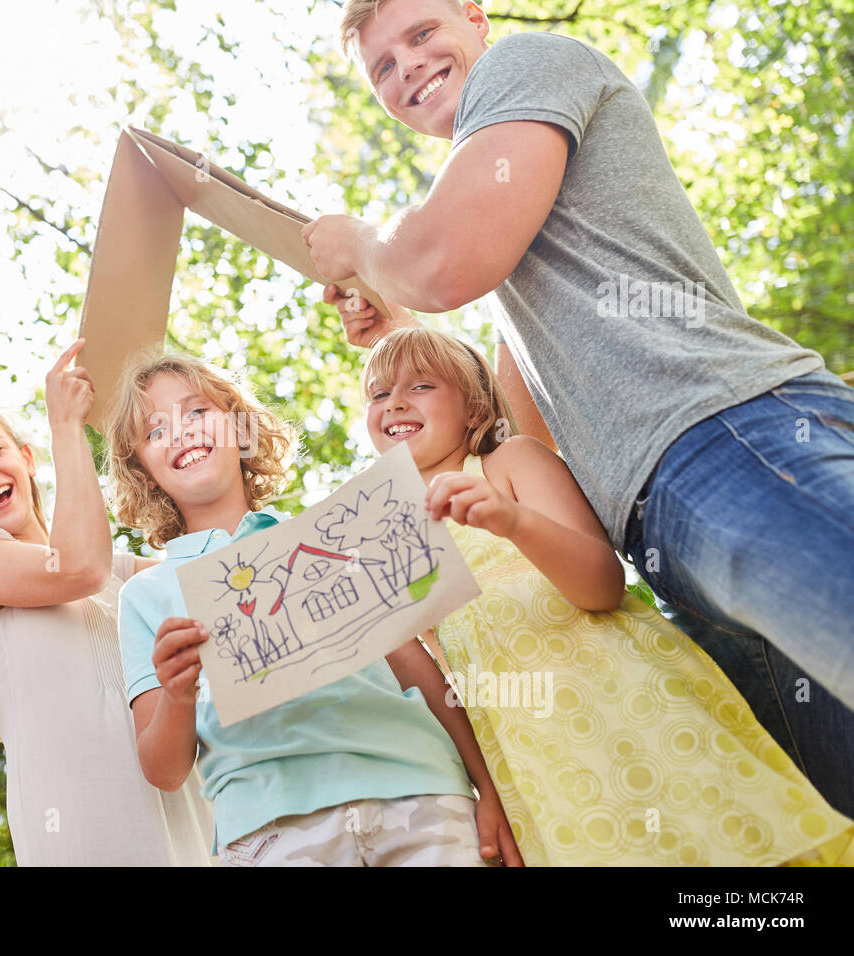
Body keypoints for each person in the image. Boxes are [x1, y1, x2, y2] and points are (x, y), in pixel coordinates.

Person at [302, 0, 854, 815]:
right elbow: (519, 426)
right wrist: (402, 327)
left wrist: (363, 249)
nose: (407, 65)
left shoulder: (523, 66)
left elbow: (445, 261)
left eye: (421, 35)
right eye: (382, 65)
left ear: (475, 17)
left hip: (722, 437)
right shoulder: (520, 241)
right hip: (665, 532)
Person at [359, 325, 854, 864]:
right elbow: (432, 675)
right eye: (379, 393)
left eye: (421, 386)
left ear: (475, 408)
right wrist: (488, 789)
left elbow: (601, 585)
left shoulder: (511, 463)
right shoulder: (388, 538)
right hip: (532, 752)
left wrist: (512, 521)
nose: (395, 402)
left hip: (629, 697)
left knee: (722, 835)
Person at [105, 350, 521, 866]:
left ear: (241, 428)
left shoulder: (333, 535)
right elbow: (164, 772)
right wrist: (176, 693)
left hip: (419, 791)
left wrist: (489, 788)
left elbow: (415, 665)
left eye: (197, 411)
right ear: (142, 471)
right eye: (155, 430)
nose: (182, 431)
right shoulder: (145, 595)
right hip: (268, 828)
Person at [0, 340, 213, 866]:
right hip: (82, 823)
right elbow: (77, 568)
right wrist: (66, 426)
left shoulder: (119, 575)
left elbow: (211, 579)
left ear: (25, 460)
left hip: (179, 805)